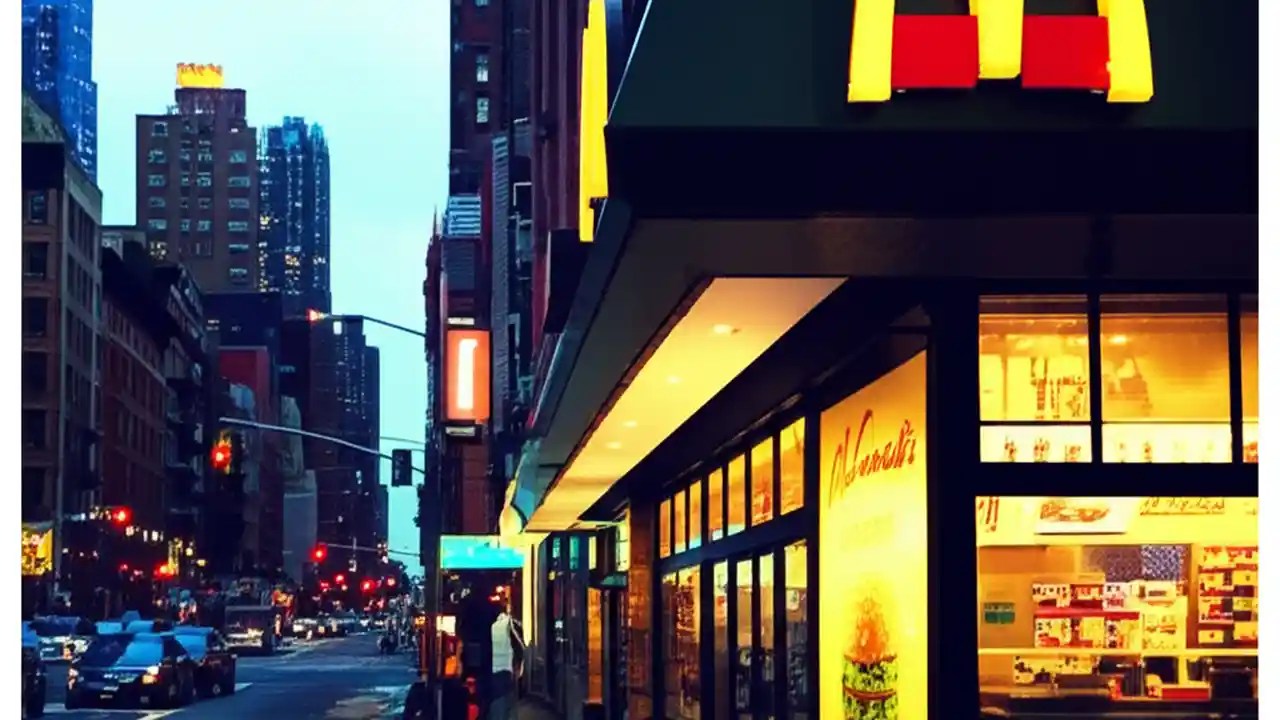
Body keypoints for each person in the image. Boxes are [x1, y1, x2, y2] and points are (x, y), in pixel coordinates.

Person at [488, 597, 524, 720]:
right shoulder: (509, 623)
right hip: (505, 671)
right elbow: (520, 647)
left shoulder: (482, 624)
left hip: (487, 673)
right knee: (505, 706)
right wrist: (519, 668)